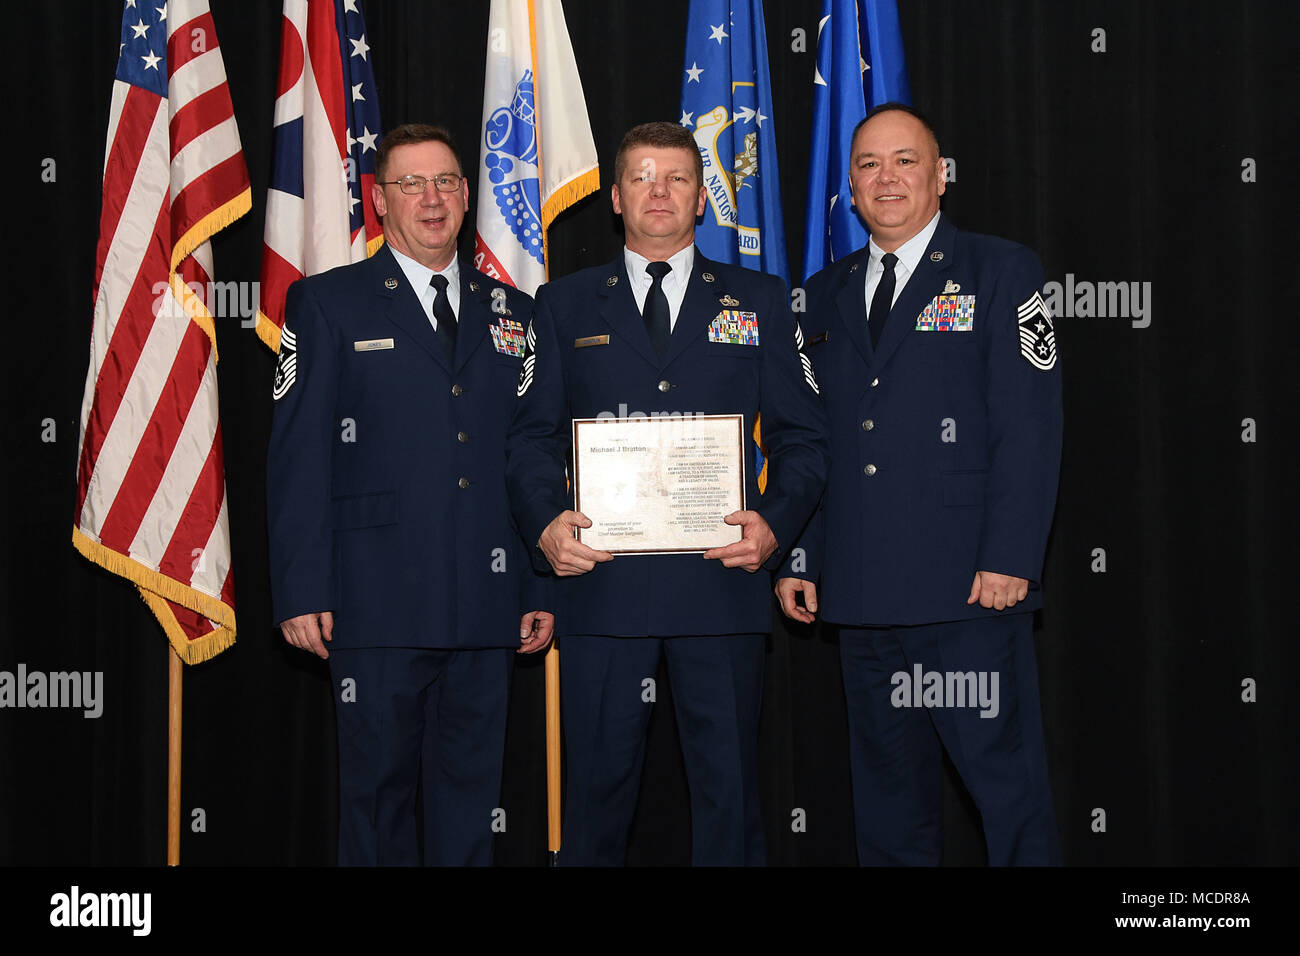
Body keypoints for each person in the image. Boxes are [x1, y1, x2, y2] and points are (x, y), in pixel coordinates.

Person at [506, 121, 827, 866]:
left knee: (730, 806)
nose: (660, 191)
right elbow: (529, 438)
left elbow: (804, 440)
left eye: (678, 177)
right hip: (601, 591)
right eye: (643, 177)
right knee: (590, 807)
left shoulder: (762, 300)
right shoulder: (562, 305)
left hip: (722, 584)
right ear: (615, 197)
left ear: (701, 199)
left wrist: (776, 528)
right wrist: (545, 525)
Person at [776, 103, 1063, 866]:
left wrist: (1012, 556)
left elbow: (1029, 430)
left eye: (905, 161)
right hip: (864, 594)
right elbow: (817, 439)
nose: (887, 178)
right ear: (851, 186)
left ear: (940, 175)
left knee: (1008, 797)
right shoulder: (821, 293)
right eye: (869, 164)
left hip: (968, 589)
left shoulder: (1001, 271)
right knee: (888, 810)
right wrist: (803, 557)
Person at [267, 123, 552, 866]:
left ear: (466, 196)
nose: (432, 199)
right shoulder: (326, 305)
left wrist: (532, 582)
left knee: (470, 806)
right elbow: (298, 458)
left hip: (487, 606)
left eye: (448, 182)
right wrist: (301, 588)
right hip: (373, 603)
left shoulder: (515, 314)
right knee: (376, 806)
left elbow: (528, 460)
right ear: (378, 200)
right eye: (411, 184)